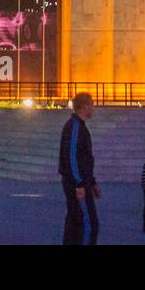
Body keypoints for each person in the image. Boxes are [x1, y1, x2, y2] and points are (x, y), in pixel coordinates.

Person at [59, 92, 100, 244]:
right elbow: (71, 157)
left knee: (74, 221)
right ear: (84, 107)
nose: (93, 108)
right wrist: (79, 183)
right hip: (76, 183)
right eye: (91, 105)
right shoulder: (75, 126)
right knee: (88, 222)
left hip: (80, 181)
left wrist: (92, 181)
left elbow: (83, 159)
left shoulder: (78, 126)